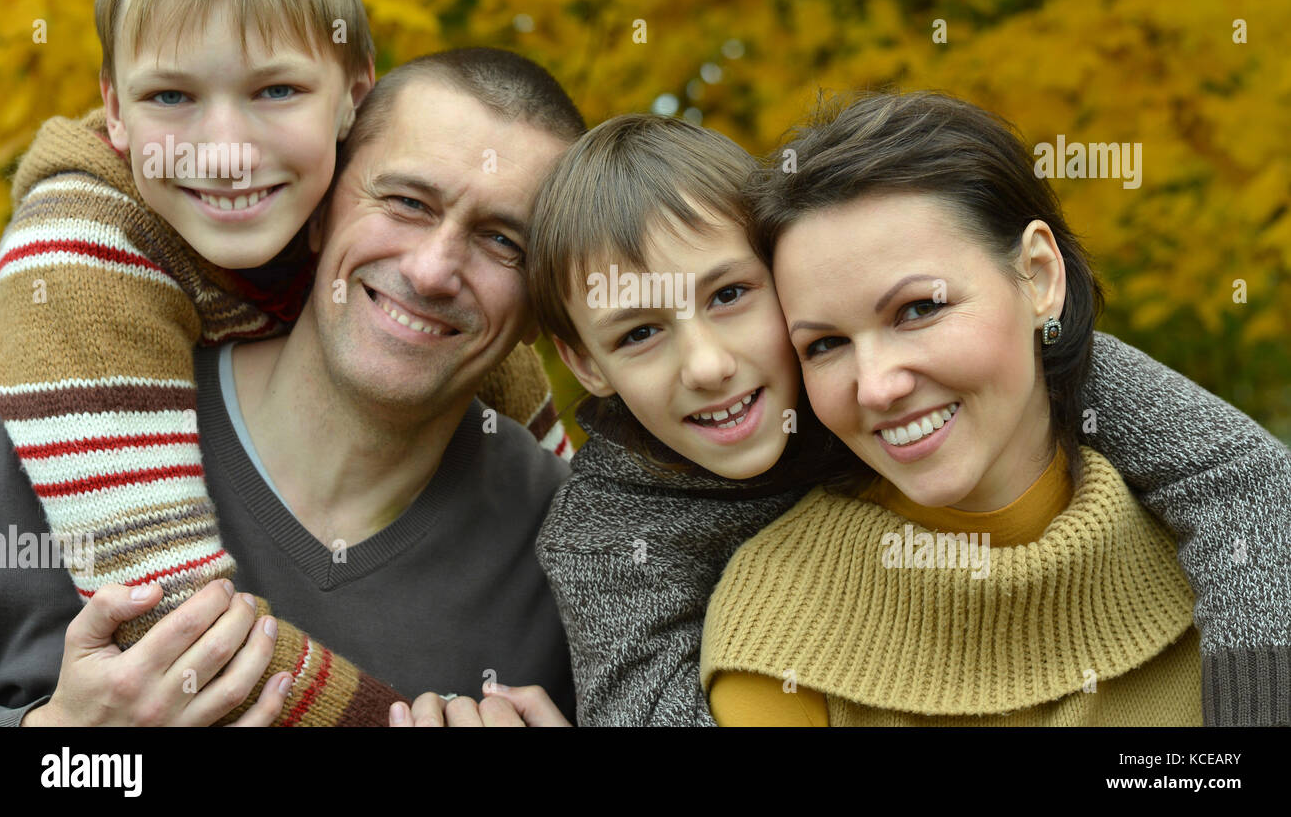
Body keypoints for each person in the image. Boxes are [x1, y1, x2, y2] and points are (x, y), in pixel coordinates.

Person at [0, 0, 566, 726]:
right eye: (405, 202)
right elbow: (177, 632)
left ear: (349, 108)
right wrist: (66, 747)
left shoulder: (568, 543)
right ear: (113, 110)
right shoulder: (53, 369)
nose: (226, 153)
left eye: (502, 242)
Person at [528, 111, 1291, 727]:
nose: (706, 365)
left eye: (730, 295)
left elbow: (1241, 477)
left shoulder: (996, 363)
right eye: (638, 332)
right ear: (586, 363)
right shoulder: (607, 534)